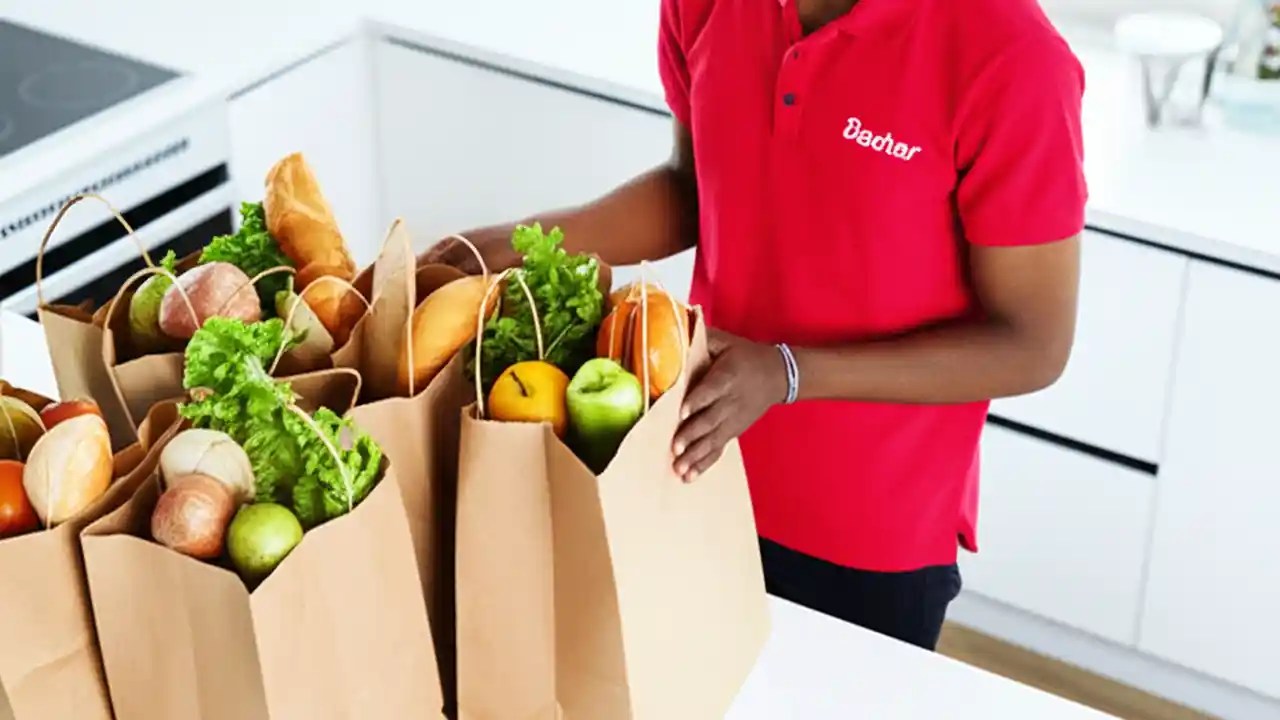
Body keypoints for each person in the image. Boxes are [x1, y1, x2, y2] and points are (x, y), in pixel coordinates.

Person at [422, 0, 1086, 652]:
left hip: (872, 534)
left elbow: (1032, 341)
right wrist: (531, 243)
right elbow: (695, 186)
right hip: (690, 470)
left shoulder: (1012, 56)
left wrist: (789, 372)